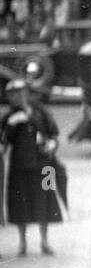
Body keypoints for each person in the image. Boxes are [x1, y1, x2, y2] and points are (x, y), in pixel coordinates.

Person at [1, 79, 63, 256]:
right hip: (19, 166)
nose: (17, 96)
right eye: (12, 94)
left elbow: (53, 133)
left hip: (45, 166)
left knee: (46, 200)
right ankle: (23, 243)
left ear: (26, 93)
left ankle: (44, 241)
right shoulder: (8, 117)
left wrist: (52, 145)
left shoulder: (41, 111)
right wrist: (12, 124)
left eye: (20, 92)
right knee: (19, 204)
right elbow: (4, 141)